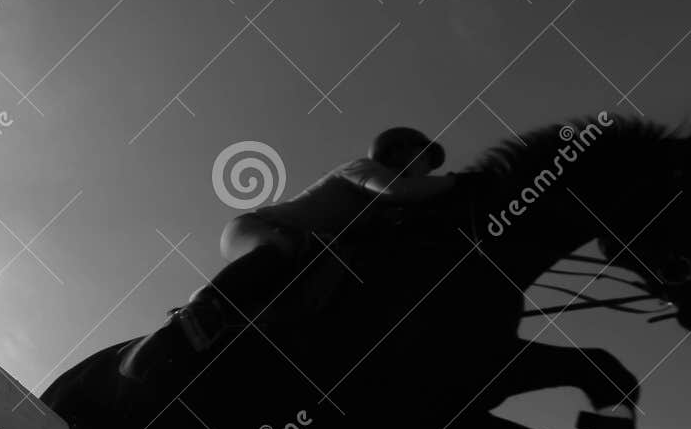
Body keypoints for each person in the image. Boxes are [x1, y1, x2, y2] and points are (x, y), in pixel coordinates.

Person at [120, 127, 454, 381]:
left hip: (303, 256)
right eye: (424, 158)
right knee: (282, 249)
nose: (427, 168)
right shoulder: (362, 169)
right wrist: (458, 183)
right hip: (254, 229)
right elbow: (400, 190)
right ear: (397, 152)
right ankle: (199, 314)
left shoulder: (386, 213)